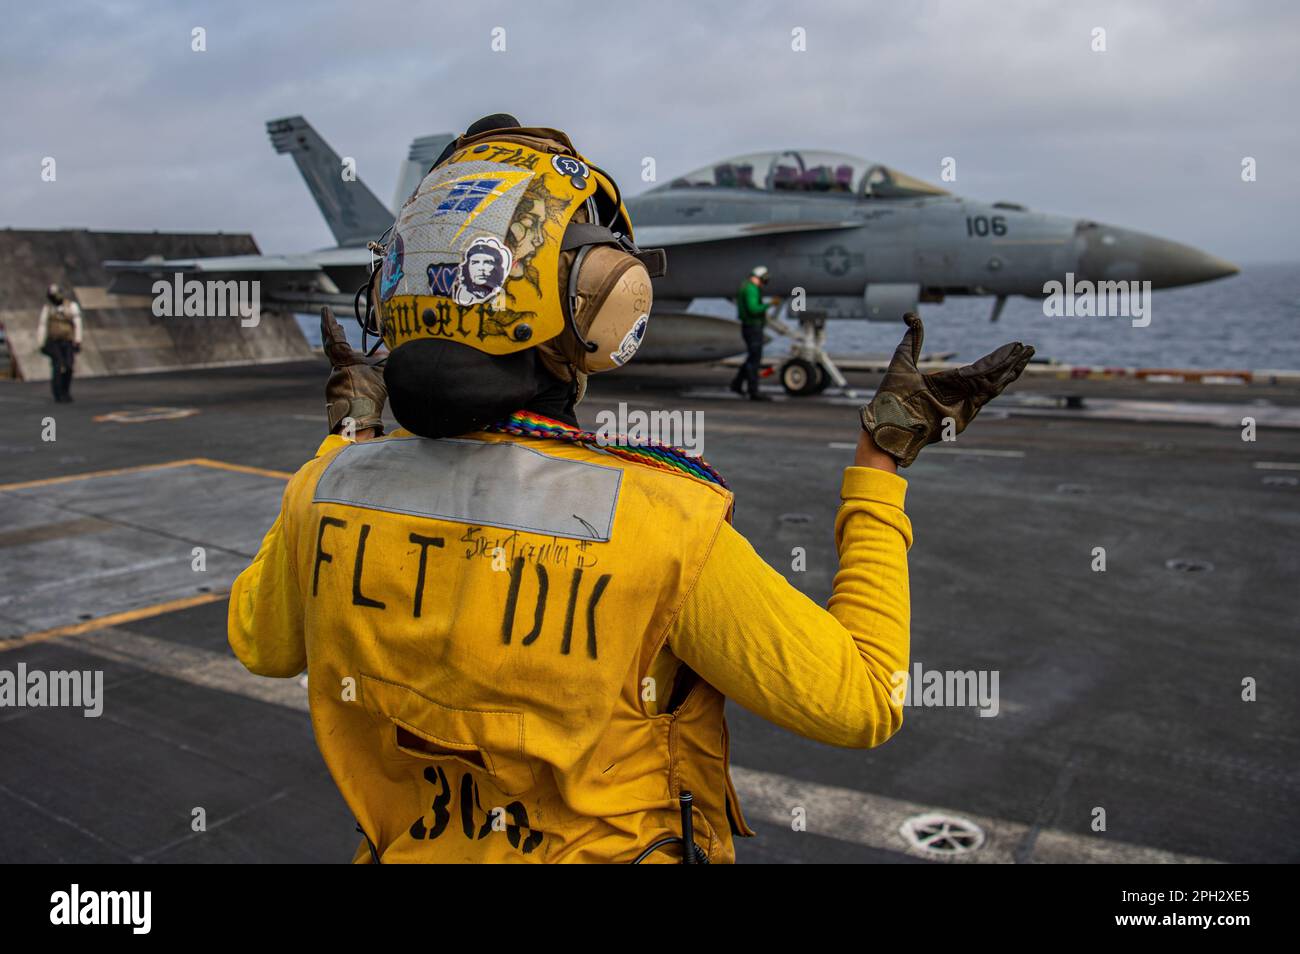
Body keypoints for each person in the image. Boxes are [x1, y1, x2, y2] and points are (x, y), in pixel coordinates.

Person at [228, 115, 1034, 863]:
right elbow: (861, 699)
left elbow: (262, 648)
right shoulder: (662, 523)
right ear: (606, 301)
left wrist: (343, 445)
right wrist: (880, 464)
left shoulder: (323, 492)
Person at [730, 265, 771, 400]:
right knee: (754, 360)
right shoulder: (751, 289)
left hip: (750, 327)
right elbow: (753, 309)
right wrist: (769, 304)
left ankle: (737, 384)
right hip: (753, 327)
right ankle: (753, 391)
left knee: (752, 358)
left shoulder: (747, 287)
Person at [37, 284, 82, 402]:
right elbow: (42, 325)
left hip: (67, 342)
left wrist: (77, 340)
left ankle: (65, 391)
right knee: (57, 366)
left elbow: (77, 324)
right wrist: (41, 342)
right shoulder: (48, 308)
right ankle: (58, 393)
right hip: (54, 342)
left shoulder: (71, 307)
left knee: (68, 367)